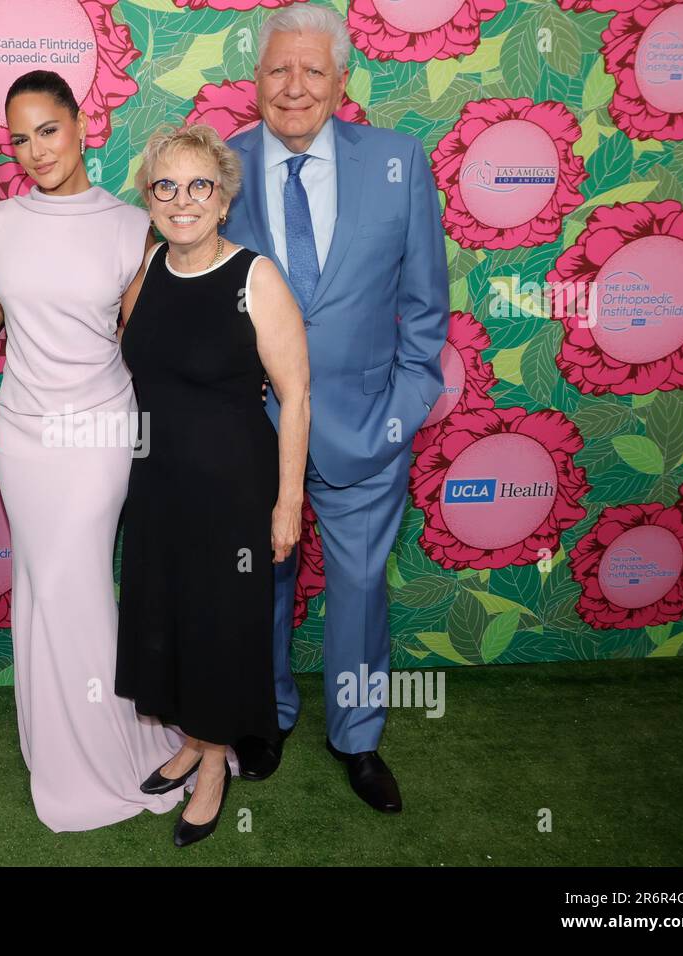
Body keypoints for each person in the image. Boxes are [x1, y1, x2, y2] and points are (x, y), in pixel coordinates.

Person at [221, 6, 449, 811]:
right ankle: (268, 716)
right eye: (280, 69)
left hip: (367, 426)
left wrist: (403, 409)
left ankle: (357, 738)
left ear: (342, 81)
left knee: (357, 587)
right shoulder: (222, 166)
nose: (294, 87)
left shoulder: (398, 162)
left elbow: (426, 310)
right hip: (252, 430)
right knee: (262, 583)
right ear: (258, 78)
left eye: (313, 71)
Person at [0, 71, 184, 832]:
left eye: (48, 131)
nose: (35, 151)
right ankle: (57, 749)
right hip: (24, 435)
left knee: (77, 587)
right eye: (20, 138)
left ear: (81, 124)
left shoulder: (133, 227)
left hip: (98, 430)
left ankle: (107, 751)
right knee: (40, 590)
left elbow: (144, 343)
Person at [117, 123, 309, 847]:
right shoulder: (148, 270)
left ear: (223, 199)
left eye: (200, 185)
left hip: (233, 489)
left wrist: (287, 501)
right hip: (158, 484)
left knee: (219, 625)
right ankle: (194, 740)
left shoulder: (254, 277)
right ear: (151, 199)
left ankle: (213, 767)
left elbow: (296, 394)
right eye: (166, 186)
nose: (183, 199)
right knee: (170, 617)